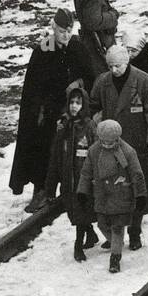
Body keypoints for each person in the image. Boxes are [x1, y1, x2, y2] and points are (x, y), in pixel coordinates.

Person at [9, 8, 95, 211]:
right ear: (53, 28)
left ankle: (74, 188)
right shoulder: (43, 50)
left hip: (74, 108)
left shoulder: (77, 47)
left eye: (69, 31)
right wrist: (40, 108)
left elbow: (90, 76)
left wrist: (78, 84)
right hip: (48, 110)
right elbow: (33, 86)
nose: (65, 36)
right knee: (43, 149)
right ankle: (41, 190)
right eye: (61, 31)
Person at [89, 43, 148, 245]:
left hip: (138, 143)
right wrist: (97, 124)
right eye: (110, 66)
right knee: (117, 192)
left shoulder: (143, 81)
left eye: (118, 66)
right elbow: (93, 105)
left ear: (127, 62)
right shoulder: (103, 81)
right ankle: (117, 234)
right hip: (112, 145)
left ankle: (135, 232)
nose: (114, 70)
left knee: (138, 189)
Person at [76, 119, 147, 274]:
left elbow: (137, 174)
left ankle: (115, 257)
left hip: (121, 195)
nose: (107, 145)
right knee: (102, 225)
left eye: (111, 142)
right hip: (102, 196)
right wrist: (82, 191)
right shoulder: (94, 151)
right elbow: (86, 173)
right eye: (104, 142)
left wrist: (140, 195)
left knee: (117, 227)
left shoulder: (127, 151)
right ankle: (116, 243)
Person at [44, 81, 99, 261]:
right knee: (74, 212)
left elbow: (97, 153)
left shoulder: (90, 127)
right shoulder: (64, 127)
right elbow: (55, 158)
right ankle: (91, 234)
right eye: (72, 102)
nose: (74, 106)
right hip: (69, 179)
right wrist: (50, 188)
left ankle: (78, 245)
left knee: (81, 212)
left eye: (78, 102)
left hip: (84, 180)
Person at [74, 0, 118, 83]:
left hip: (92, 42)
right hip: (98, 45)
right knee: (104, 81)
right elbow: (93, 22)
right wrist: (113, 16)